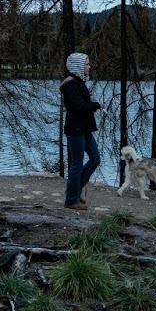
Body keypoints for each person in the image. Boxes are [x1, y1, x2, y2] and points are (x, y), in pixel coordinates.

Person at [61, 52, 102, 211]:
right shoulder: (71, 85)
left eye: (88, 64)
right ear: (78, 66)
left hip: (84, 128)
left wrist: (94, 106)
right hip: (75, 129)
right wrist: (96, 105)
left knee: (95, 158)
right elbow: (79, 107)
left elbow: (82, 106)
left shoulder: (79, 82)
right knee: (77, 164)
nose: (89, 67)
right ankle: (71, 200)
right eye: (86, 64)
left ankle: (75, 191)